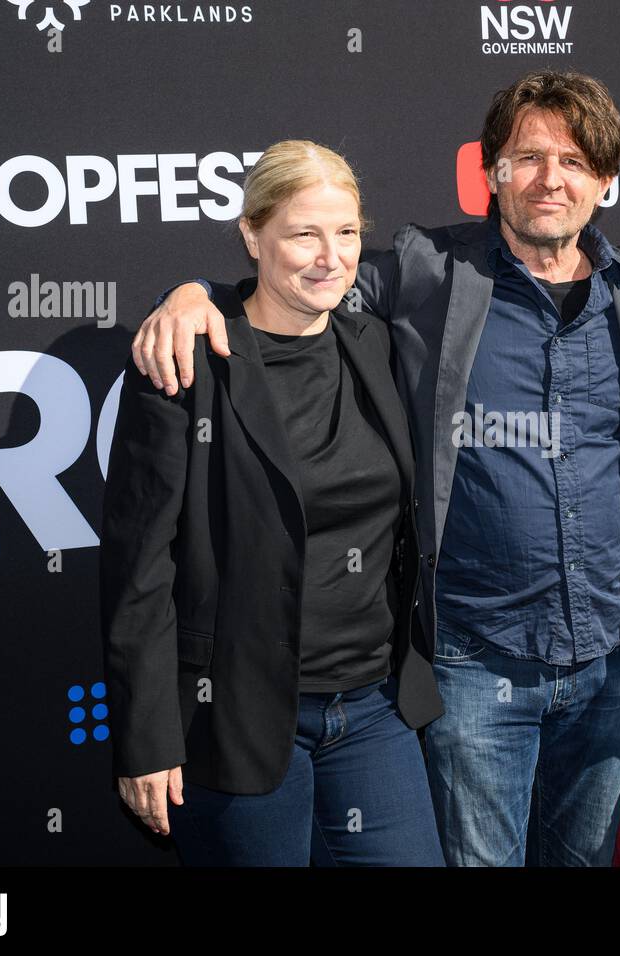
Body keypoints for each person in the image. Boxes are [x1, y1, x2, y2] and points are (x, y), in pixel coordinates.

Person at [130, 71, 620, 866]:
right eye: (528, 157)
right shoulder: (430, 270)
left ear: (604, 179)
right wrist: (196, 293)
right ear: (490, 171)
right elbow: (305, 282)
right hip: (471, 667)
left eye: (572, 161)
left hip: (606, 664)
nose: (549, 179)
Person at [99, 140, 445, 866]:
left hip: (377, 708)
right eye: (303, 233)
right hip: (240, 716)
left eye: (347, 232)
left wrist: (192, 286)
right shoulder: (186, 362)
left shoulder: (374, 342)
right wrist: (147, 739)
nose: (331, 256)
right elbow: (140, 569)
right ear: (253, 234)